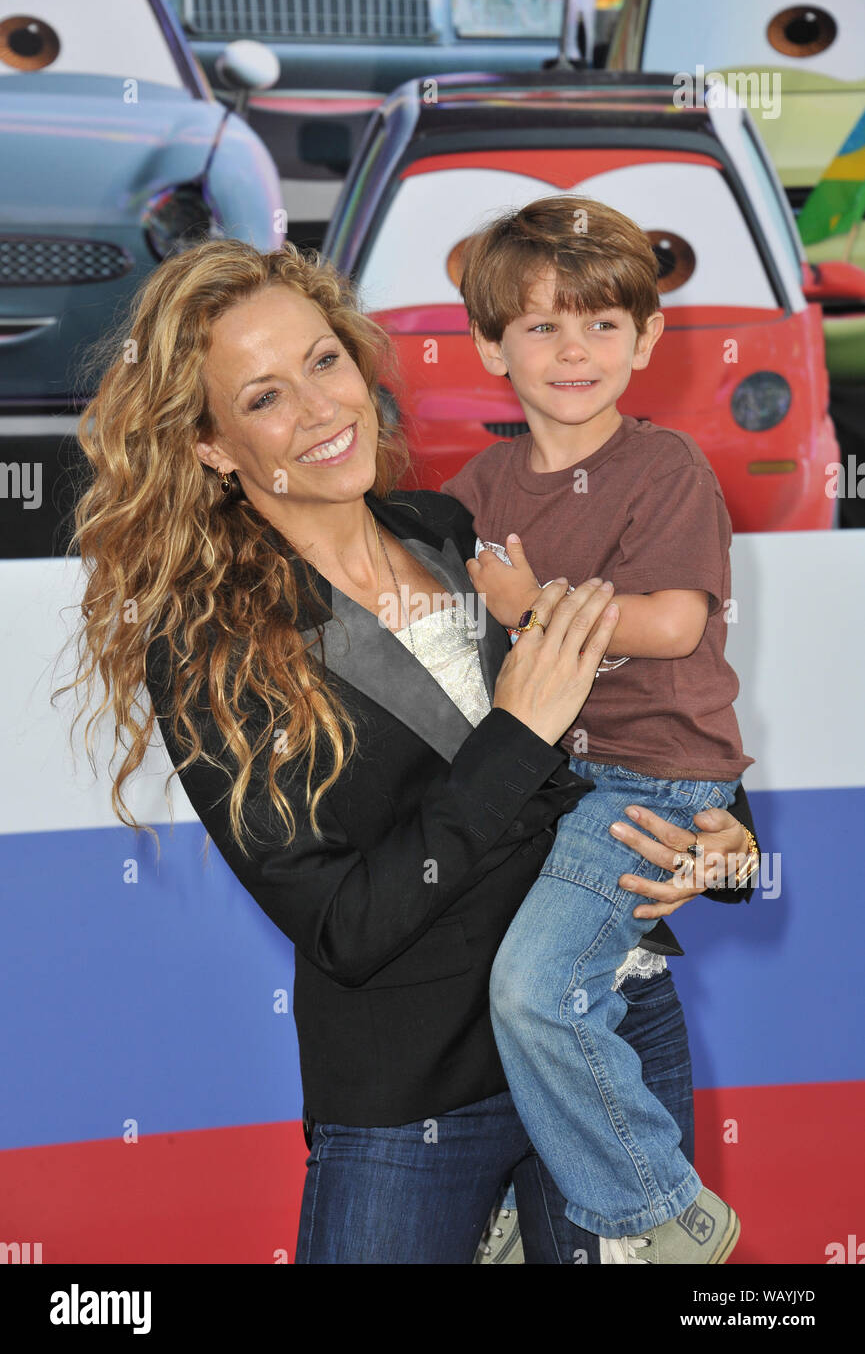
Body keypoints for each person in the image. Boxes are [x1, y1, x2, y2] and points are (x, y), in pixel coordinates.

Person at [59, 237, 759, 1264]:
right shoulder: (213, 648)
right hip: (417, 1092)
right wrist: (512, 732)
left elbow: (640, 716)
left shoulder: (454, 528)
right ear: (211, 445)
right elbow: (343, 922)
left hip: (603, 1033)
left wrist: (724, 846)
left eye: (324, 361)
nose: (318, 408)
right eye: (262, 397)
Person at [441, 194, 757, 1264]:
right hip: (542, 789)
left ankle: (660, 1214)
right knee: (493, 981)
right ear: (491, 345)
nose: (573, 349)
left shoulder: (664, 469)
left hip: (647, 784)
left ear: (646, 337)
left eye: (601, 324)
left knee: (536, 988)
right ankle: (511, 1198)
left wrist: (535, 605)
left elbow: (672, 621)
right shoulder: (479, 486)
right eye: (540, 326)